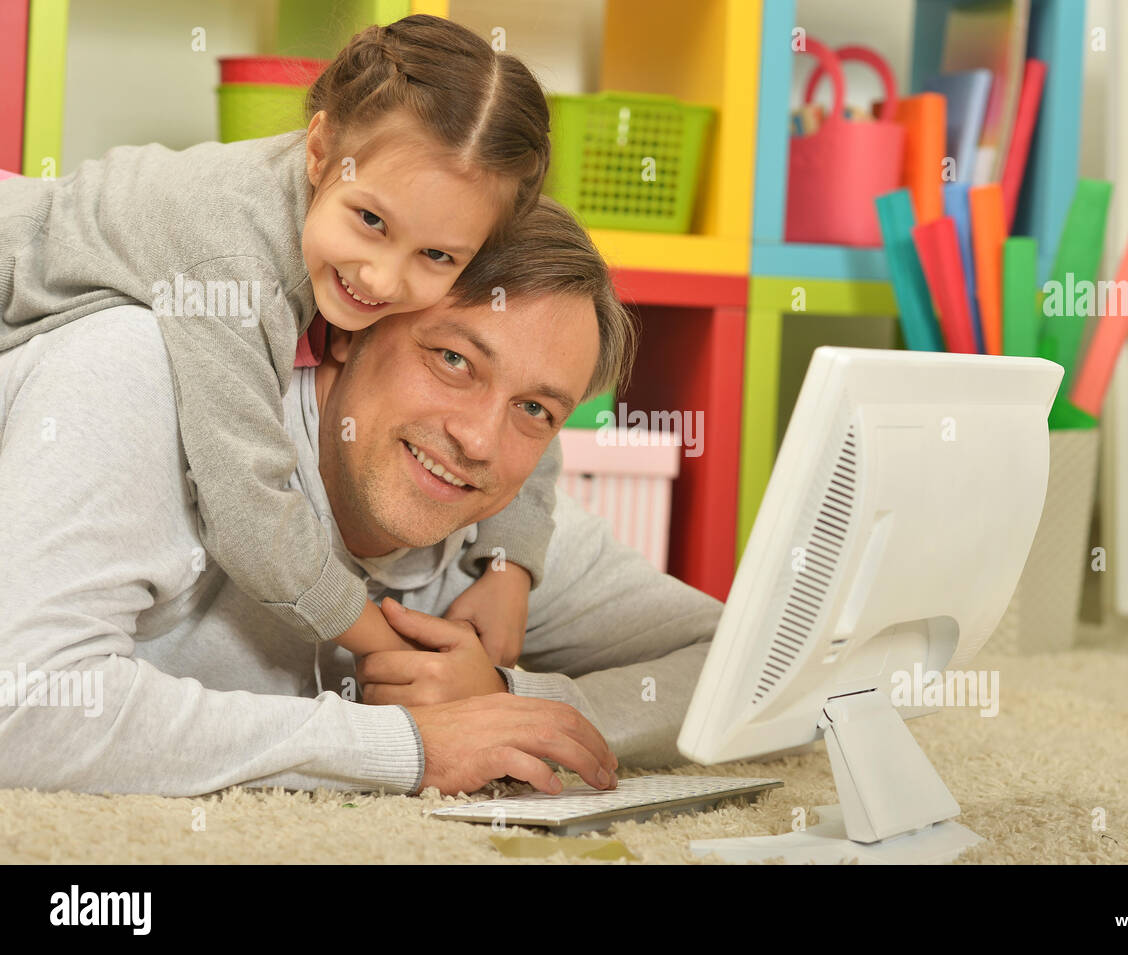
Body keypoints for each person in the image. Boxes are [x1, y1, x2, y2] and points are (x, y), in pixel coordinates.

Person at [0, 197, 723, 798]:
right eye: (453, 360)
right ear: (351, 327)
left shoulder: (495, 542)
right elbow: (22, 705)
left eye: (535, 409)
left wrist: (513, 704)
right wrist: (404, 747)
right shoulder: (138, 374)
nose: (478, 440)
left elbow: (752, 666)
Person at [0, 14, 559, 671]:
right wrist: (390, 648)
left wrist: (510, 565)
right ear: (318, 152)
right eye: (370, 220)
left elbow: (536, 362)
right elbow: (247, 510)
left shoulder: (428, 215)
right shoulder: (229, 257)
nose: (383, 276)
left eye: (435, 254)